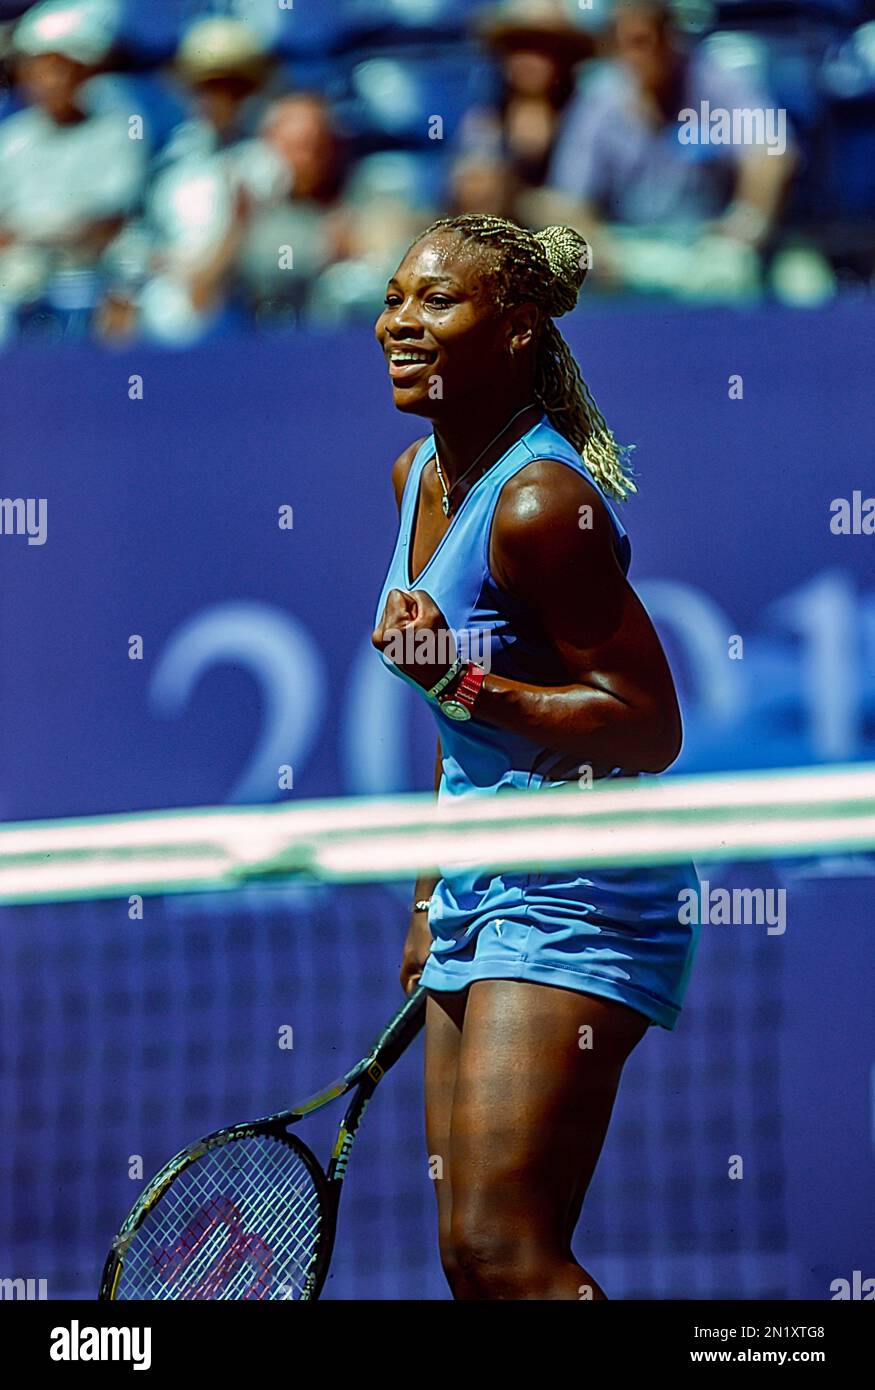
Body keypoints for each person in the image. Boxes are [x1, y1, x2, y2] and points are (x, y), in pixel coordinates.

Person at [371, 213, 700, 1299]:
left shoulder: (538, 504)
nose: (397, 325)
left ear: (514, 328)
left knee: (508, 1253)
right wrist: (429, 889)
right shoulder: (412, 475)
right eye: (393, 298)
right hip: (478, 877)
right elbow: (454, 731)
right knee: (472, 1259)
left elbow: (647, 725)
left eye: (436, 302)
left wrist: (457, 675)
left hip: (580, 880)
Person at [537, 0, 795, 296]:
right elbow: (567, 201)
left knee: (738, 275)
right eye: (633, 42)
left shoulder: (713, 81)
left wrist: (743, 231)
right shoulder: (599, 98)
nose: (644, 53)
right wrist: (600, 249)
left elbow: (772, 154)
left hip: (709, 251)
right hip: (630, 253)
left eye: (655, 37)